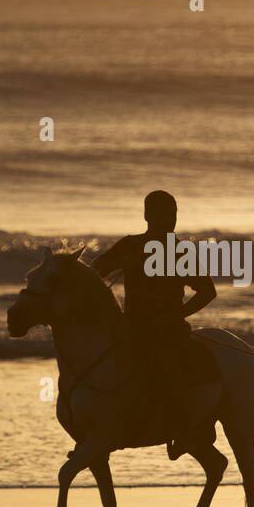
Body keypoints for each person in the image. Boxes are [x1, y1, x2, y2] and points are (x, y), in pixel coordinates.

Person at [93, 190, 217, 458]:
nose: (168, 220)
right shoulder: (130, 245)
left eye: (172, 215)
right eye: (162, 214)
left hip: (168, 331)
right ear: (147, 216)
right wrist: (117, 264)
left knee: (168, 369)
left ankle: (184, 430)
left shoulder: (181, 251)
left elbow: (208, 292)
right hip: (130, 328)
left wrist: (176, 314)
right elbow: (94, 273)